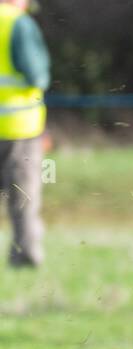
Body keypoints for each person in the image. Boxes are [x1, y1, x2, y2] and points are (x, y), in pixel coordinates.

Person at [0, 0, 48, 269]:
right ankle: (26, 255)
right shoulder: (17, 23)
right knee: (23, 196)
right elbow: (37, 75)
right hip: (18, 127)